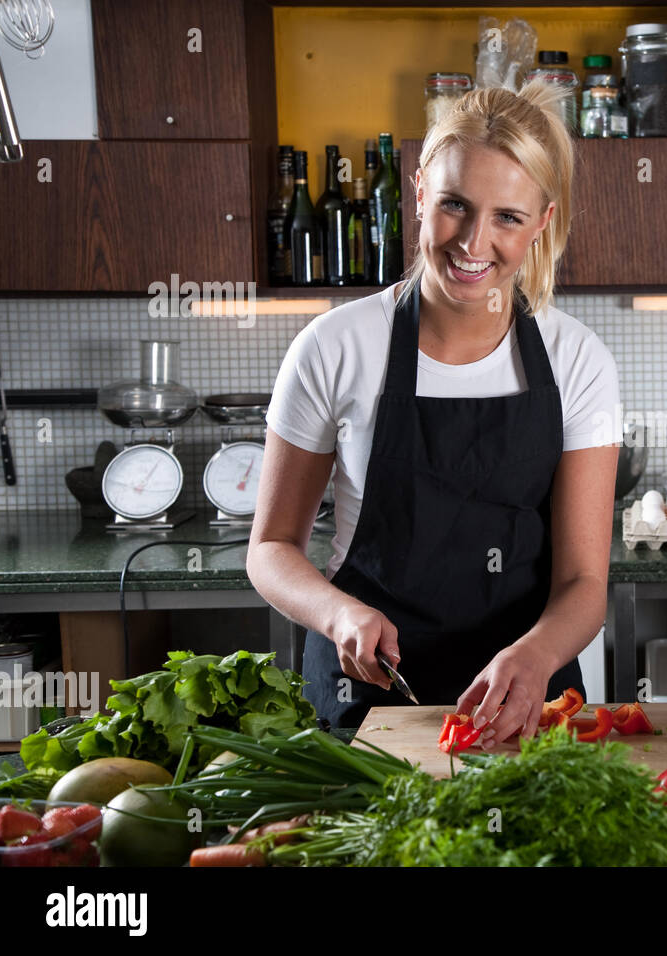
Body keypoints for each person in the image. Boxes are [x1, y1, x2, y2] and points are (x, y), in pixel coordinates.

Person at [247, 82, 620, 748]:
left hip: (524, 704)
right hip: (367, 703)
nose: (474, 242)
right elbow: (271, 550)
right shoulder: (336, 345)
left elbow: (584, 581)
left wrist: (535, 656)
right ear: (419, 192)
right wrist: (337, 615)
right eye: (454, 205)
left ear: (541, 222)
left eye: (508, 216)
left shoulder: (576, 359)